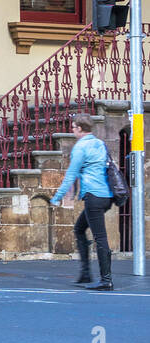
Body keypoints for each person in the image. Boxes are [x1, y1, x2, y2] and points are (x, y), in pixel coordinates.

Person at [50, 114, 115, 291]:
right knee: (79, 229)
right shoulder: (99, 143)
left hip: (94, 197)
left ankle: (106, 280)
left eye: (73, 127)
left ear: (79, 128)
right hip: (106, 196)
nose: (72, 130)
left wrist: (56, 197)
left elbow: (70, 175)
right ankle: (86, 273)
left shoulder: (80, 147)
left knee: (100, 237)